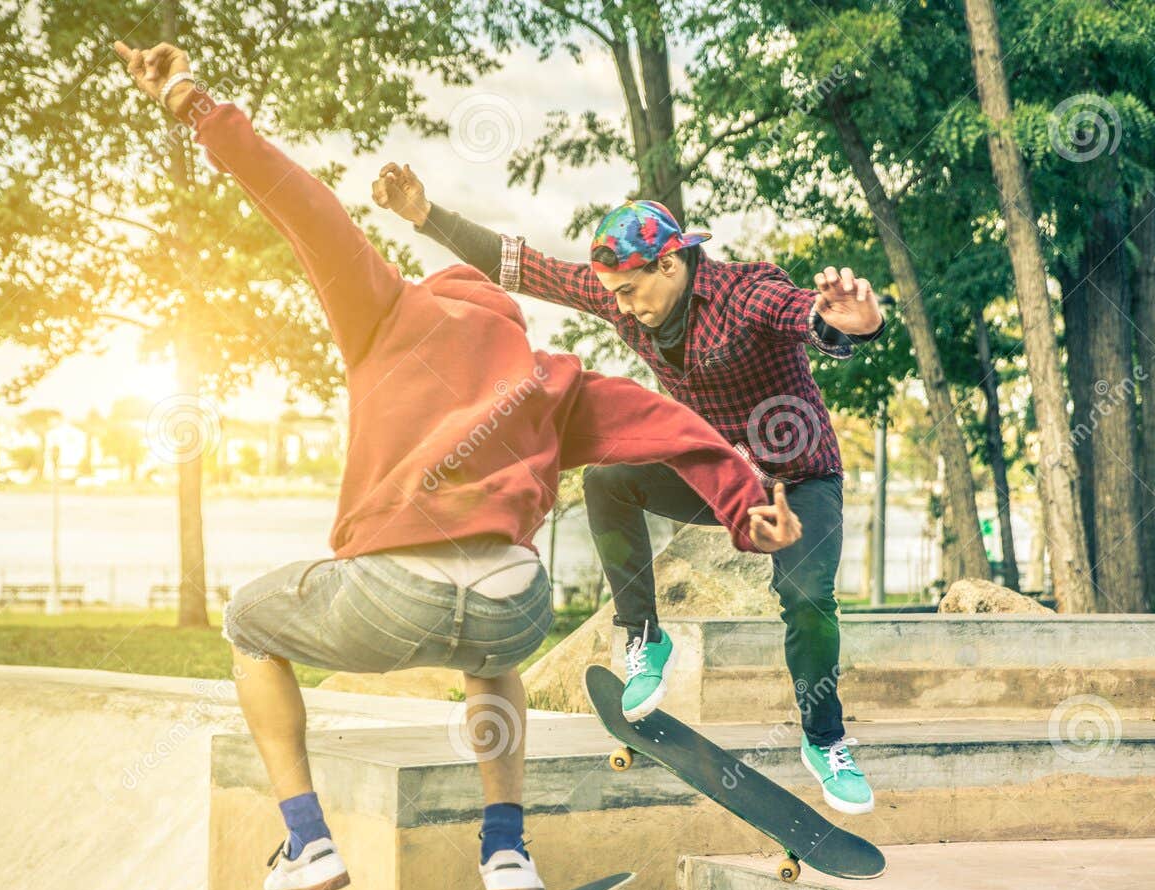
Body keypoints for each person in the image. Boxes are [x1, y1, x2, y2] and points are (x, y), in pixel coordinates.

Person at [112, 41, 803, 890]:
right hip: (517, 602)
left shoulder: (385, 308)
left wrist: (189, 98)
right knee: (493, 658)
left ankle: (307, 840)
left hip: (393, 593)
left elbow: (297, 199)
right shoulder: (548, 375)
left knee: (250, 623)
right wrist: (747, 510)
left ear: (432, 291)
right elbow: (669, 425)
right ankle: (507, 850)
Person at [372, 169, 887, 814]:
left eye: (628, 292)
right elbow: (522, 268)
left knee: (806, 596)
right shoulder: (624, 290)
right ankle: (643, 636)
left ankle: (825, 739)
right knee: (609, 478)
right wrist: (426, 215)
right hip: (715, 472)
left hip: (800, 479)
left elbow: (798, 312)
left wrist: (856, 324)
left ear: (669, 264)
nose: (620, 307)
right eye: (611, 295)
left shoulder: (742, 292)